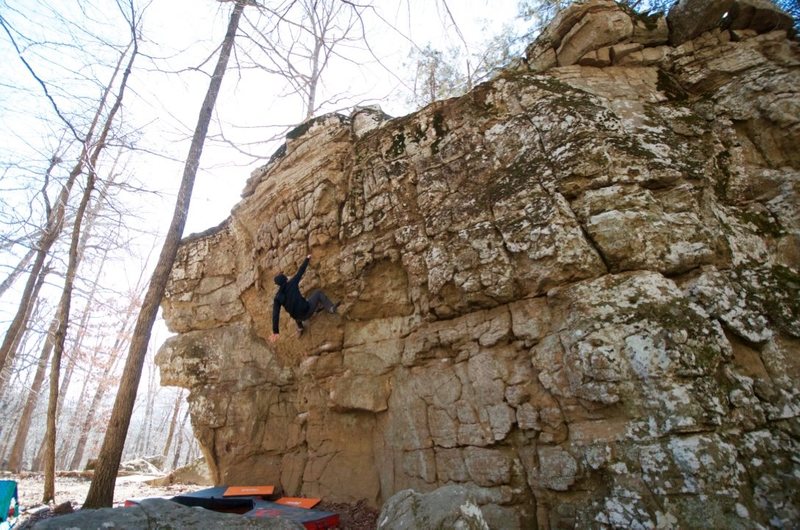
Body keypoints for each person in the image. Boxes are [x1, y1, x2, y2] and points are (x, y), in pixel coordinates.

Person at [270, 255, 338, 342]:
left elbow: (275, 314)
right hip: (308, 311)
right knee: (318, 293)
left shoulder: (277, 298)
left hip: (298, 318)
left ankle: (300, 328)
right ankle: (330, 308)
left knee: (293, 308)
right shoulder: (292, 282)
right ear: (286, 279)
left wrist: (275, 331)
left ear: (278, 285)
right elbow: (300, 271)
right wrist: (307, 259)